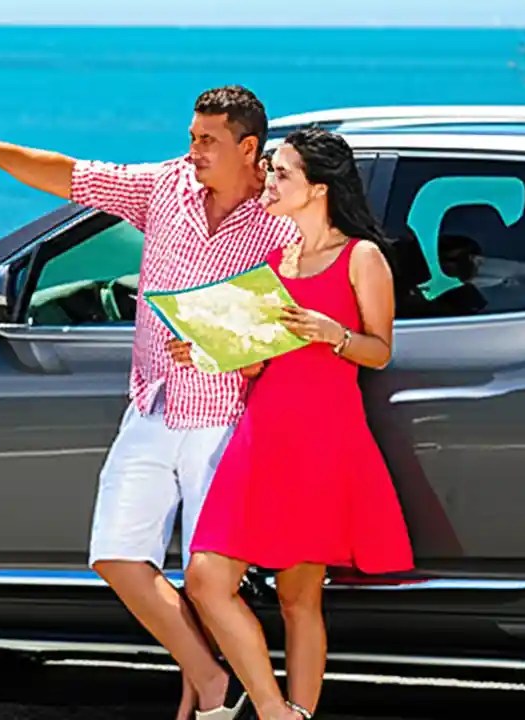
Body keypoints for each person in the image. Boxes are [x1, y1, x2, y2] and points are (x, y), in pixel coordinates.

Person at [0, 85, 300, 720]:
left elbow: (294, 316)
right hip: (152, 406)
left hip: (229, 418)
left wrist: (222, 346)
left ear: (248, 147)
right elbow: (70, 175)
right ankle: (210, 679)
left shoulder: (280, 213)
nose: (194, 150)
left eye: (207, 140)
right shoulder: (165, 187)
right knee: (117, 555)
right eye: (191, 136)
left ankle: (253, 705)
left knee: (215, 585)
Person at [176, 127, 415, 720]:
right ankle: (272, 710)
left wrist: (333, 335)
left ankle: (297, 713)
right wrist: (211, 352)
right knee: (207, 578)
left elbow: (379, 350)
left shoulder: (362, 257)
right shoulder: (272, 260)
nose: (269, 181)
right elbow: (258, 358)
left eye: (281, 173)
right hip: (262, 434)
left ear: (318, 188)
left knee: (298, 596)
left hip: (323, 438)